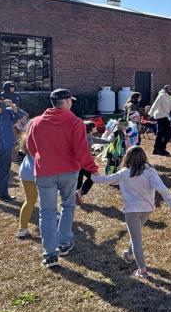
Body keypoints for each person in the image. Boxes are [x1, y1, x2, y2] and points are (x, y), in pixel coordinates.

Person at [27, 89, 99, 267]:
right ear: (66, 101)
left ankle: (50, 253)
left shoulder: (36, 122)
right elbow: (81, 151)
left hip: (44, 172)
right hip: (68, 171)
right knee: (67, 206)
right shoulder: (75, 122)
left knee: (47, 212)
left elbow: (30, 146)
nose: (72, 103)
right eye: (71, 101)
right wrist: (93, 169)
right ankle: (64, 242)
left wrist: (43, 157)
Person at [92, 146, 171, 278]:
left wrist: (92, 172)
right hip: (147, 209)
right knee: (136, 233)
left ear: (127, 157)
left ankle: (142, 270)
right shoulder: (150, 171)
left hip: (132, 211)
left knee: (136, 238)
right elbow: (162, 188)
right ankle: (129, 255)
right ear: (144, 157)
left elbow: (103, 180)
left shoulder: (123, 173)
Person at [75, 121, 109, 205]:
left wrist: (108, 141)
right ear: (90, 129)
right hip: (82, 163)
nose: (96, 127)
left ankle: (77, 196)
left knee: (79, 181)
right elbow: (83, 152)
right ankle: (80, 193)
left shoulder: (88, 136)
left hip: (80, 162)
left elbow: (96, 140)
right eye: (95, 126)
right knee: (93, 177)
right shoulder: (85, 138)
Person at [16, 125, 37, 239]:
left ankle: (22, 228)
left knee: (29, 201)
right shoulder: (45, 138)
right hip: (41, 172)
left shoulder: (27, 138)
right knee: (48, 199)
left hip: (26, 171)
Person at [150, 85, 171, 156]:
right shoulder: (161, 96)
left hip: (164, 116)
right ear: (166, 89)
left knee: (161, 134)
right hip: (160, 117)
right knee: (168, 133)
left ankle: (157, 149)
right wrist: (150, 114)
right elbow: (155, 105)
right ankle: (160, 149)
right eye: (170, 89)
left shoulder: (168, 97)